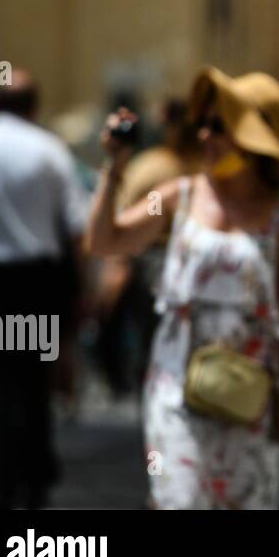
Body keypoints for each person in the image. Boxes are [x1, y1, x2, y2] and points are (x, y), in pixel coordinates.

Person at [85, 68, 279, 509]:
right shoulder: (178, 196)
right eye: (202, 124)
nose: (204, 135)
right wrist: (114, 168)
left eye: (218, 126)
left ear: (251, 138)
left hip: (250, 397)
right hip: (176, 390)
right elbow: (103, 241)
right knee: (180, 500)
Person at [0, 69, 87, 508]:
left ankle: (1, 480)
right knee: (33, 379)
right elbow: (76, 226)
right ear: (34, 106)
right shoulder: (50, 152)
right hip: (34, 282)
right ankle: (34, 479)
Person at [94, 97, 202, 397]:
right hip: (171, 270)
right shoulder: (182, 170)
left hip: (161, 270)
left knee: (158, 353)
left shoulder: (159, 167)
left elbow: (113, 229)